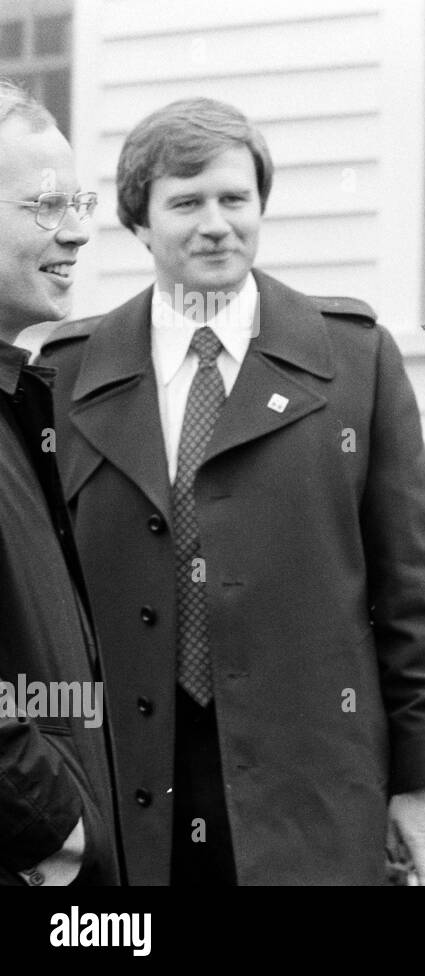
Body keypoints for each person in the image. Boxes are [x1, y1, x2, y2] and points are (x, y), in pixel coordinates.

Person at [39, 98, 425, 885]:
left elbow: (415, 596)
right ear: (140, 224)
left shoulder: (354, 361)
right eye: (186, 202)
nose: (215, 224)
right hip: (123, 789)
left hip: (308, 793)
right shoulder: (67, 376)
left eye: (234, 199)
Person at [0, 79, 120, 886]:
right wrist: (56, 829)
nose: (78, 230)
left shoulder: (25, 395)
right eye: (45, 206)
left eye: (79, 201)